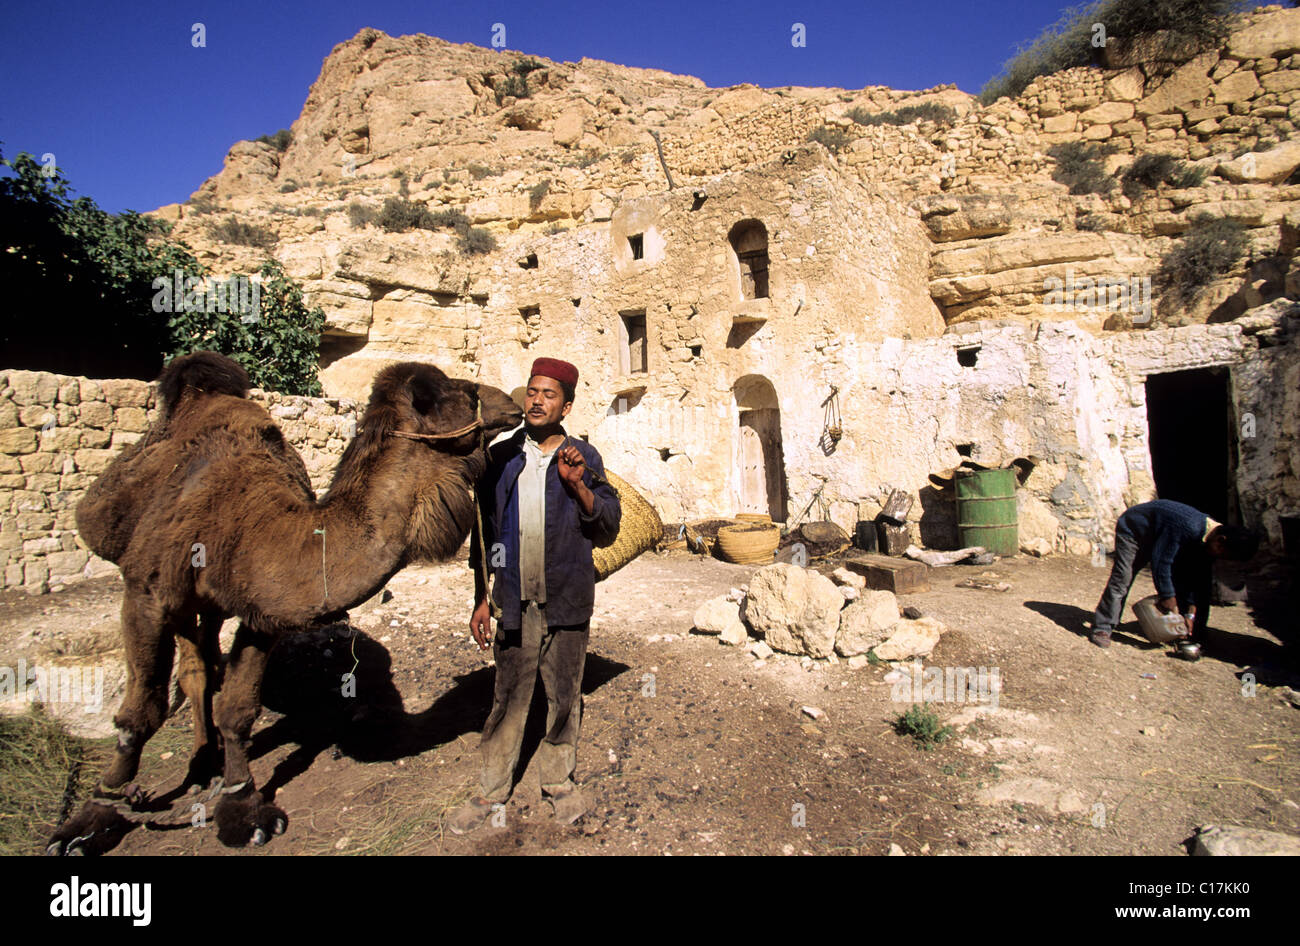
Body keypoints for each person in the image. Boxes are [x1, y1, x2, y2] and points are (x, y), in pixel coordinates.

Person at [449, 357, 620, 834]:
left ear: (566, 406)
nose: (537, 400)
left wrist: (577, 486)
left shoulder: (584, 457)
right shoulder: (502, 458)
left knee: (565, 695)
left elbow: (607, 526)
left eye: (549, 395)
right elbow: (483, 535)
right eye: (532, 392)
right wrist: (481, 598)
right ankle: (490, 789)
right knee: (507, 695)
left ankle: (559, 781)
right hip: (512, 599)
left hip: (567, 598)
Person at [1090, 499, 1258, 658]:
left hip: (1159, 537)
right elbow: (1161, 562)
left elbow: (1201, 583)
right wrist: (1167, 596)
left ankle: (1192, 633)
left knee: (1183, 582)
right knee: (1123, 578)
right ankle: (1103, 627)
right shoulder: (1188, 526)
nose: (1219, 558)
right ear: (1221, 541)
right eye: (1223, 555)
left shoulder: (1209, 543)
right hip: (1134, 531)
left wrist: (1192, 618)